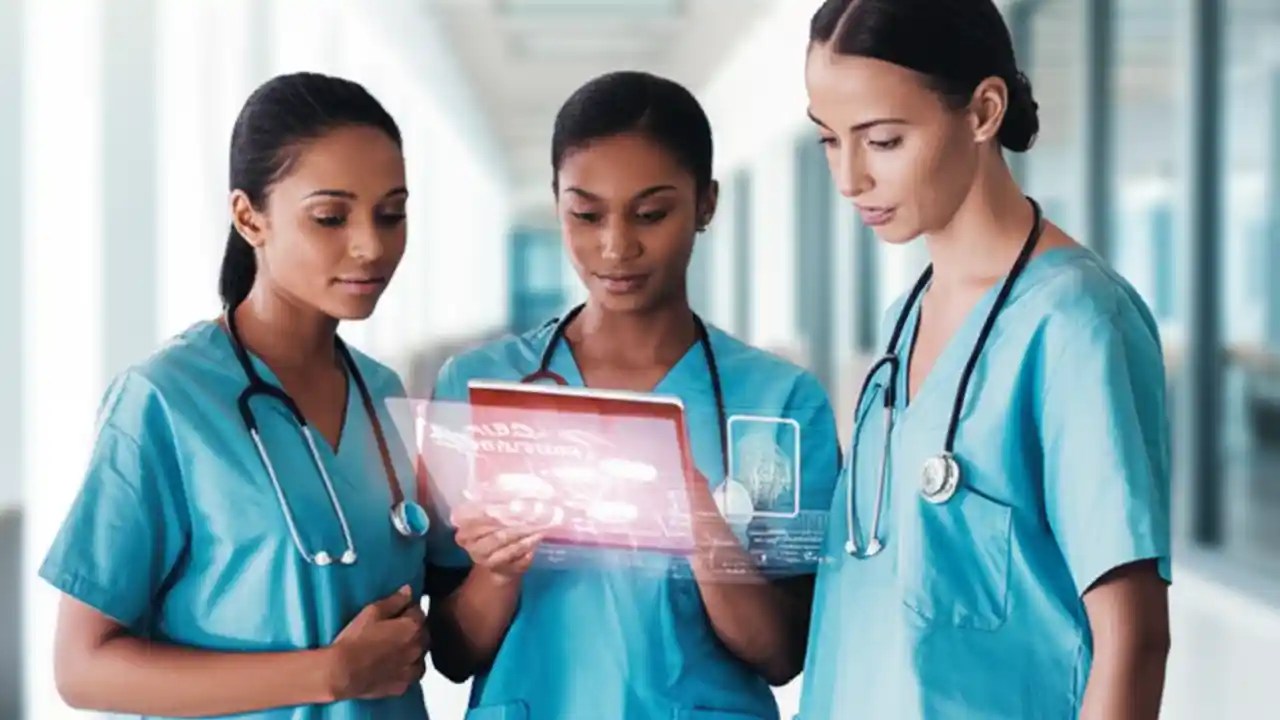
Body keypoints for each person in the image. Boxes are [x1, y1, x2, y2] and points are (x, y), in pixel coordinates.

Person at [424, 71, 841, 720]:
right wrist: (498, 572)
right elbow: (450, 653)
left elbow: (784, 653)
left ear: (706, 203)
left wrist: (708, 538)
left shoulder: (780, 403)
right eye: (585, 215)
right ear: (556, 202)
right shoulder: (477, 391)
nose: (616, 247)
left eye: (651, 213)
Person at [798, 1, 1172, 719]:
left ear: (982, 111)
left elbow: (1134, 638)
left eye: (881, 140)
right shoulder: (905, 320)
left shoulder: (1074, 323)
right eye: (828, 141)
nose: (849, 179)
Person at [39, 72, 432, 719]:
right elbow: (82, 668)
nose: (371, 245)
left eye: (391, 214)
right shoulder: (164, 401)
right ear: (250, 217)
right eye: (331, 217)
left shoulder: (382, 395)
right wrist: (328, 674)